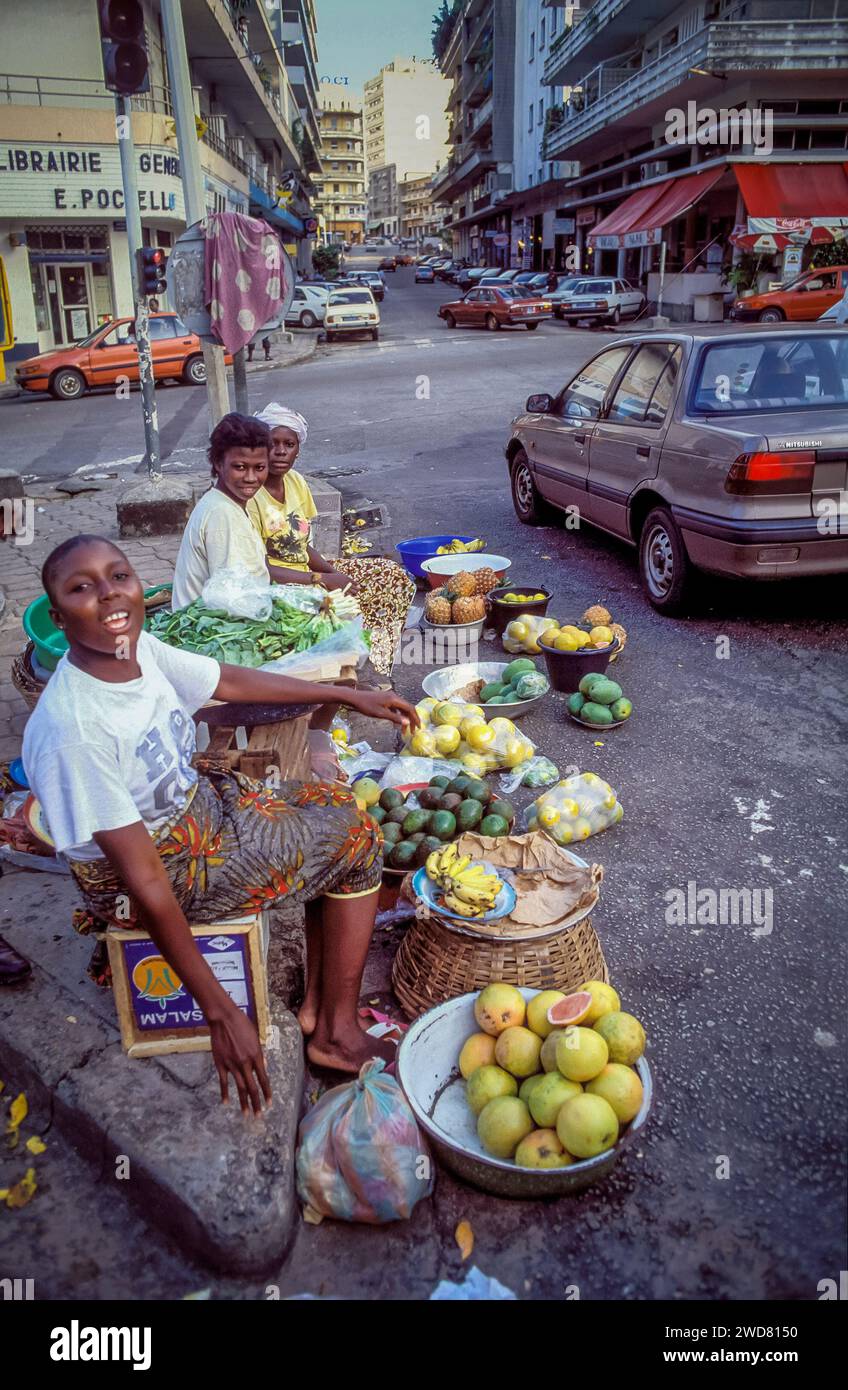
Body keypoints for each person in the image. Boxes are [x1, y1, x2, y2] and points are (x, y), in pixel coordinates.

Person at [23, 535, 421, 1109]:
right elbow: (145, 881)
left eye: (119, 576)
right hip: (157, 871)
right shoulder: (74, 729)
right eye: (83, 588)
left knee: (332, 803)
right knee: (360, 839)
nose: (110, 596)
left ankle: (317, 1007)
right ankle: (335, 1035)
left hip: (193, 815)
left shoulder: (135, 650)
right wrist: (222, 1012)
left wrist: (343, 695)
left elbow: (226, 681)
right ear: (59, 617)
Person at [248, 403, 416, 676]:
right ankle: (334, 678)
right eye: (272, 443)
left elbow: (302, 546)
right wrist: (322, 580)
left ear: (298, 450)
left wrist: (334, 573)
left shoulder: (296, 483)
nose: (280, 451)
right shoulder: (252, 494)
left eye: (288, 444)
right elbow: (256, 567)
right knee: (327, 617)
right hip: (278, 588)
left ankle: (375, 667)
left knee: (389, 576)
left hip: (309, 574)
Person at [171, 413, 272, 609]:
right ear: (218, 464)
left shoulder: (227, 503)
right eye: (240, 467)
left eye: (259, 467)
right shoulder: (223, 515)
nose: (251, 478)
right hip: (211, 633)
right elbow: (234, 601)